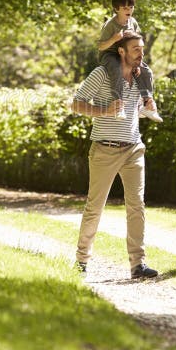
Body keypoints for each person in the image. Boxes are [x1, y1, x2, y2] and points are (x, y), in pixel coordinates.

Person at [71, 33, 159, 279]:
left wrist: (146, 109)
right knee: (95, 207)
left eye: (142, 49)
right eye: (135, 49)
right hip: (104, 148)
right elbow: (76, 104)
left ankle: (138, 264)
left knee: (137, 206)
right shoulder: (101, 74)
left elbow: (134, 111)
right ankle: (81, 261)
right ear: (121, 51)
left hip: (133, 148)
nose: (141, 54)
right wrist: (104, 110)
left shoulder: (141, 76)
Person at [98, 0, 162, 123]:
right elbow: (101, 46)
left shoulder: (132, 22)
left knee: (146, 71)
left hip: (127, 55)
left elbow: (138, 44)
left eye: (131, 7)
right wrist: (114, 39)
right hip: (110, 54)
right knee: (116, 69)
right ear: (116, 9)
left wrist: (137, 64)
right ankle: (118, 105)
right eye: (125, 7)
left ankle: (147, 104)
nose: (129, 10)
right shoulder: (110, 25)